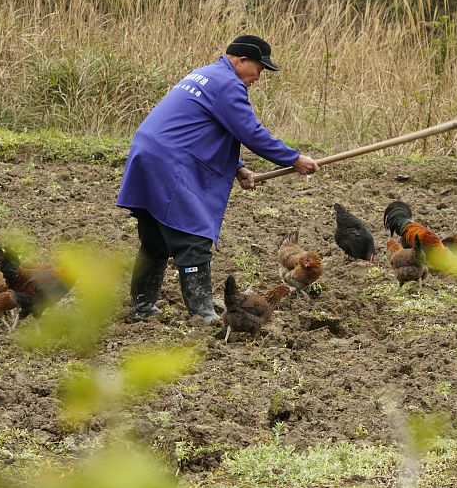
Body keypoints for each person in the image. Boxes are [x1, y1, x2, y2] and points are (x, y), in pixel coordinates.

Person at [116, 35, 319, 324]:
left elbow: (203, 127)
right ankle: (202, 313)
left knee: (155, 239)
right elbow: (250, 132)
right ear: (242, 60)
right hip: (171, 161)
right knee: (194, 235)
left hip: (149, 154)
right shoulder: (228, 84)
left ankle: (142, 306)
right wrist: (293, 158)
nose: (258, 77)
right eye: (259, 69)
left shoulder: (206, 75)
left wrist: (238, 168)